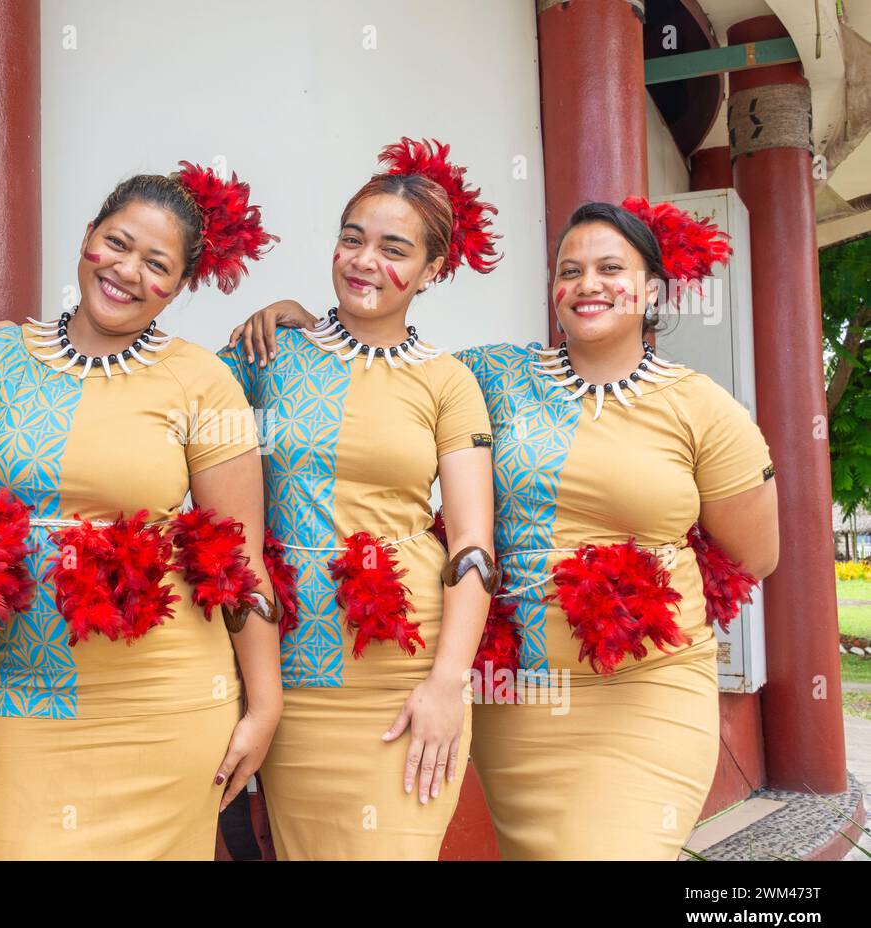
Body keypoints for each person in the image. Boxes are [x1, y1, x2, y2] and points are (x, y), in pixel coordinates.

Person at [0, 137, 499, 860]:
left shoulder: (448, 381)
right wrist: (11, 351)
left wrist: (446, 681)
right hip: (281, 660)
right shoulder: (258, 355)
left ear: (433, 269)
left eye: (394, 249)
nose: (366, 261)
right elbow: (130, 390)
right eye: (352, 239)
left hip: (393, 668)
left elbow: (471, 547)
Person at [228, 196, 779, 859]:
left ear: (652, 288)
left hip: (645, 685)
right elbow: (384, 375)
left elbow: (755, 552)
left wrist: (638, 584)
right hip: (520, 696)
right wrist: (304, 325)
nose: (586, 284)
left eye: (610, 267)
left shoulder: (704, 408)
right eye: (569, 270)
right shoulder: (492, 374)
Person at [0, 162, 283, 860]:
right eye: (118, 243)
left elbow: (240, 560)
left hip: (166, 701)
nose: (127, 271)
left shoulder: (205, 382)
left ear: (181, 285)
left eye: (156, 263)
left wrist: (264, 705)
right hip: (15, 699)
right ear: (87, 236)